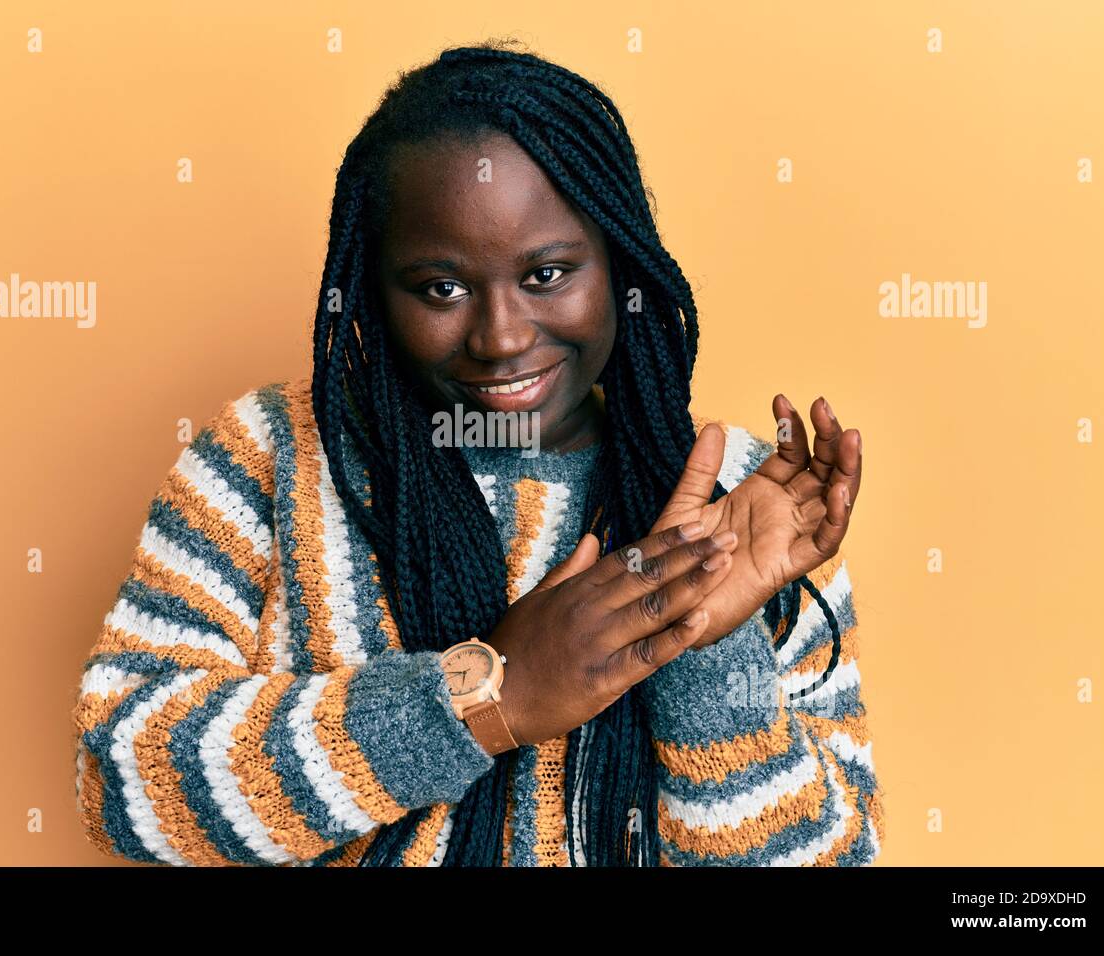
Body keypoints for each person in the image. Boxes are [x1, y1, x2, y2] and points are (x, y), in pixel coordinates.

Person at [72, 39, 884, 867]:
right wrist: (489, 695)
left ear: (619, 263)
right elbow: (121, 784)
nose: (501, 337)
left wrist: (708, 645)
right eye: (442, 288)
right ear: (370, 288)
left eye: (548, 274)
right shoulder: (272, 457)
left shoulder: (748, 505)